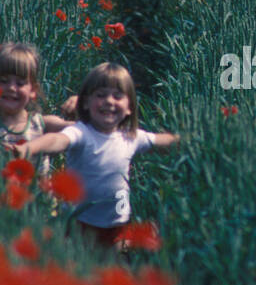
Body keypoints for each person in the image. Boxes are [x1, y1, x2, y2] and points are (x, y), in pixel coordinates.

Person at [11, 62, 178, 251]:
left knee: (114, 267)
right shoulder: (81, 132)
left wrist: (191, 140)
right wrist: (29, 148)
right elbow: (56, 140)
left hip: (117, 223)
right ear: (86, 103)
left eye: (117, 96)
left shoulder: (131, 136)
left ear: (129, 107)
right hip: (78, 222)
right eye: (101, 95)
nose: (109, 101)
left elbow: (162, 141)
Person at [0, 43, 75, 213]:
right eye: (3, 81)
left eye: (20, 83)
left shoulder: (42, 124)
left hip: (39, 208)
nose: (11, 88)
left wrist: (80, 103)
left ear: (33, 90)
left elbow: (81, 128)